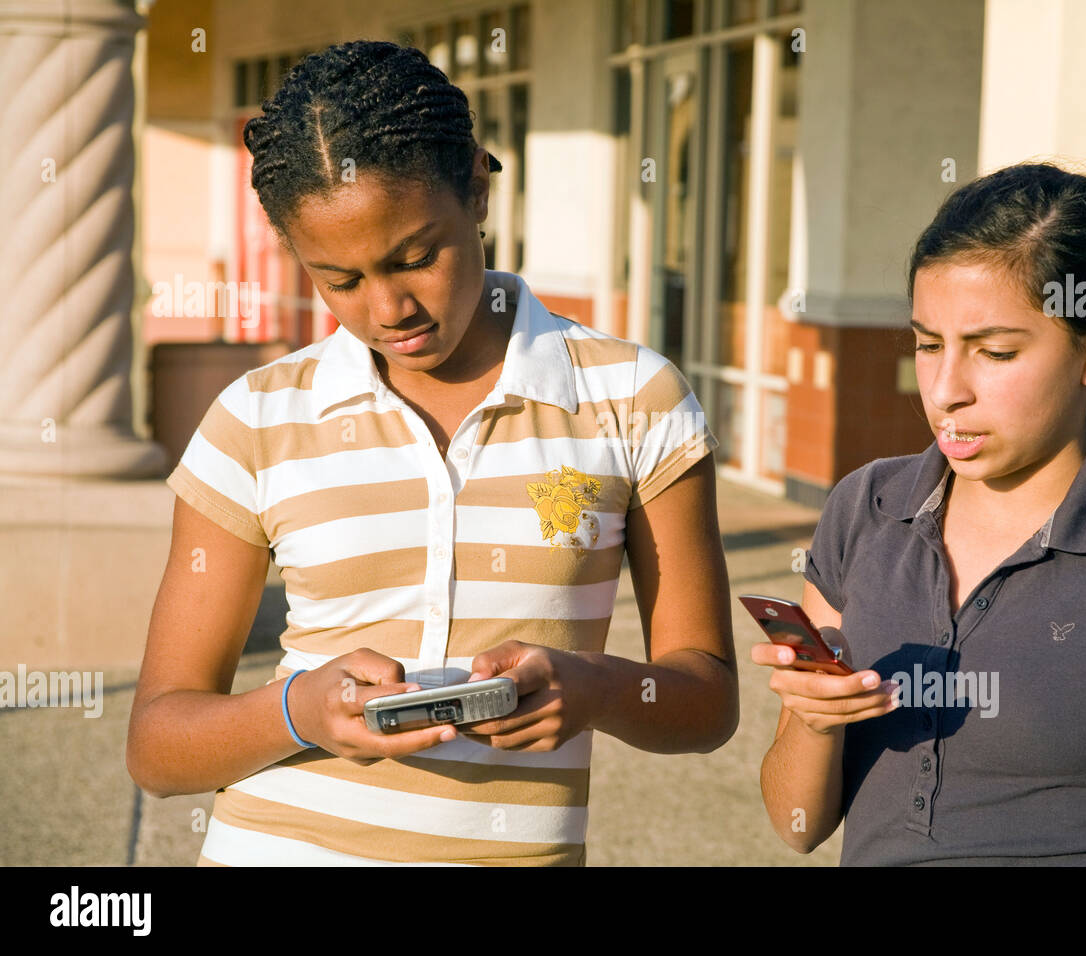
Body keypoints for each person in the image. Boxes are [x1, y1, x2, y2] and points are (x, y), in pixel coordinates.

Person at [126, 40, 737, 866]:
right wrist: (301, 709)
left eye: (416, 257)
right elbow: (158, 749)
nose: (388, 307)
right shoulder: (258, 417)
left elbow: (704, 703)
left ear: (477, 192)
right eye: (338, 279)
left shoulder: (634, 400)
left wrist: (592, 689)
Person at [752, 162, 1086, 865]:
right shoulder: (865, 508)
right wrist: (813, 721)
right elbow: (797, 826)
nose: (946, 390)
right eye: (927, 345)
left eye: (996, 351)